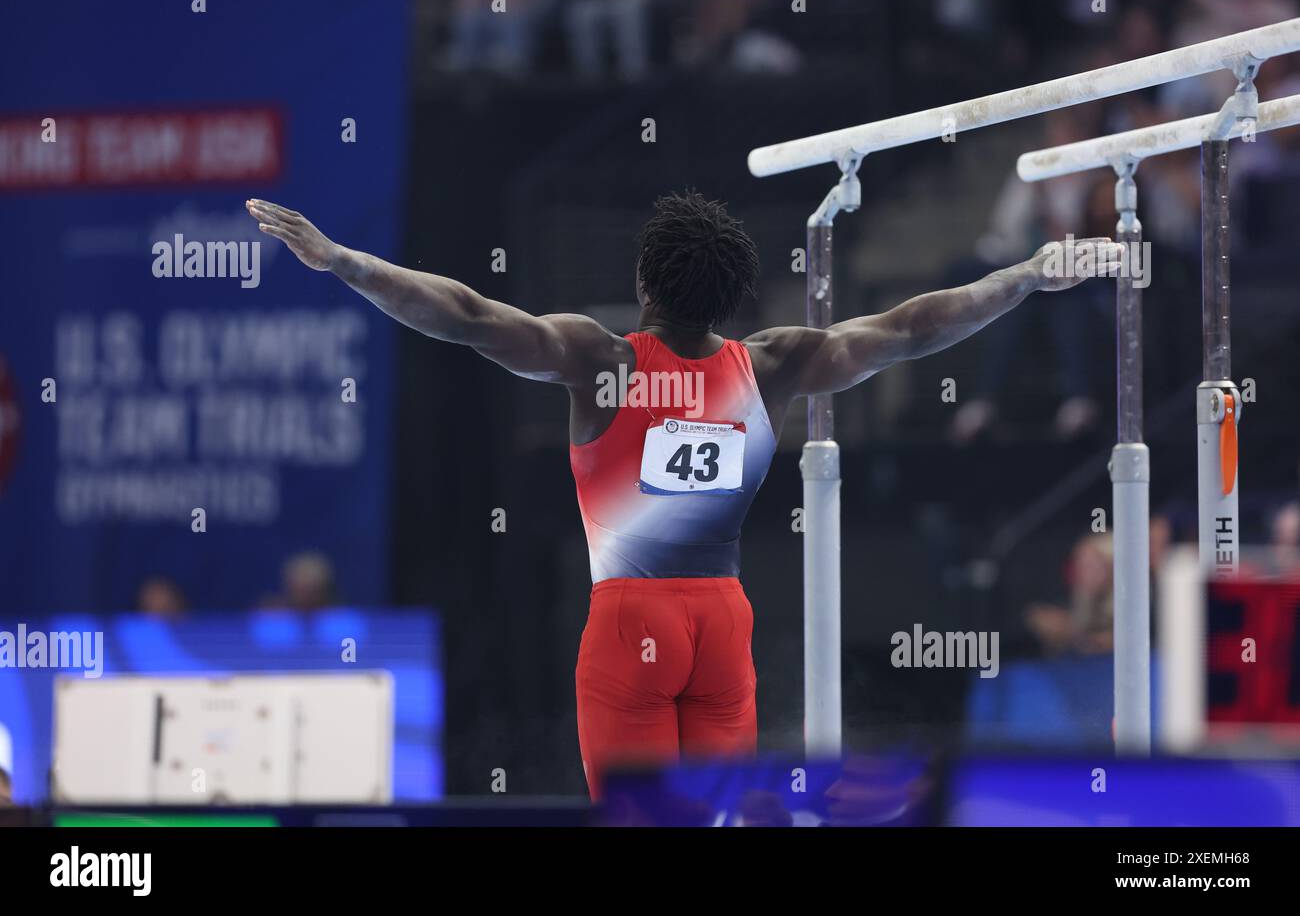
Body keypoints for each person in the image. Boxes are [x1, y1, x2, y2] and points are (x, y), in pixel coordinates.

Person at [246, 192, 1115, 798]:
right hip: (722, 624)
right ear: (731, 294)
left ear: (643, 285)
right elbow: (911, 327)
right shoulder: (768, 364)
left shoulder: (601, 361)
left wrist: (345, 262)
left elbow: (466, 316)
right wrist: (1029, 276)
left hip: (632, 621)